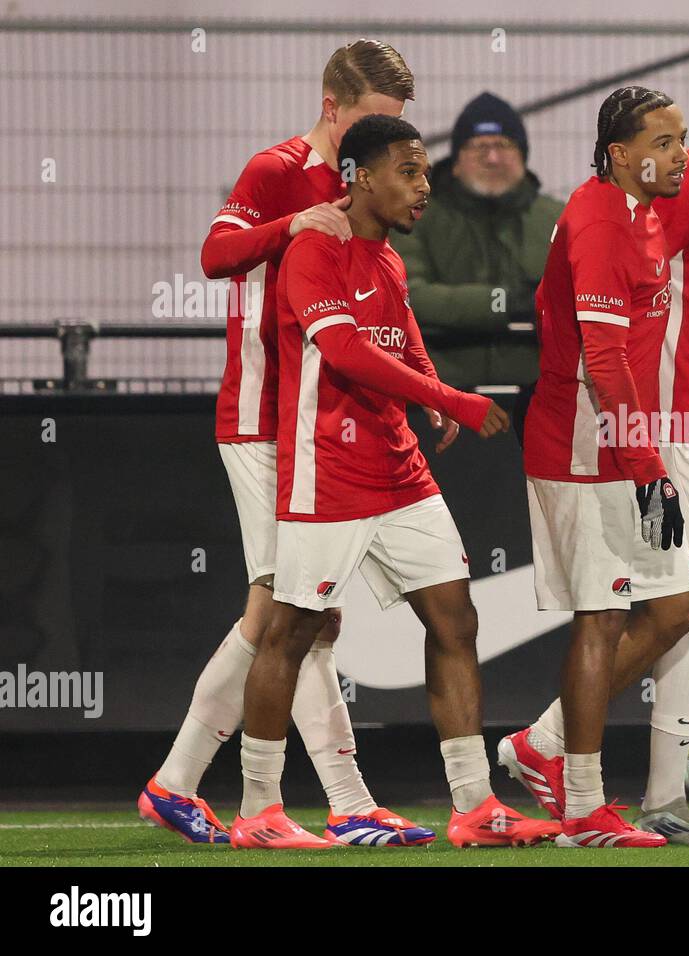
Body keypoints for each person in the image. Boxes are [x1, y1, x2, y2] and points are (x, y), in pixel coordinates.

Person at [229, 114, 556, 850]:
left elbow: (400, 334)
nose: (422, 189)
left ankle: (475, 805)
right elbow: (344, 352)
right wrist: (453, 400)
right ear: (360, 176)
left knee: (455, 619)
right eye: (409, 173)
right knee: (292, 630)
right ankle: (258, 809)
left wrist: (427, 390)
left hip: (399, 470)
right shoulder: (313, 248)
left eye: (427, 176)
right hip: (327, 473)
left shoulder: (389, 262)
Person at [139, 39, 436, 847]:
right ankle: (329, 800)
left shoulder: (368, 187)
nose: (385, 144)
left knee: (302, 614)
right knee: (291, 612)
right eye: (372, 123)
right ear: (331, 106)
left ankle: (184, 783)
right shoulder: (276, 170)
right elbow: (212, 256)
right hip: (261, 420)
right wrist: (288, 224)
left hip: (317, 427)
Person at [497, 87, 689, 849]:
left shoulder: (636, 208)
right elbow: (604, 363)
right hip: (585, 448)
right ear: (621, 153)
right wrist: (650, 467)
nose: (682, 153)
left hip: (624, 445)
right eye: (667, 141)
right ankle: (583, 809)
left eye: (684, 138)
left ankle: (540, 746)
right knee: (603, 615)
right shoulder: (601, 222)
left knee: (675, 609)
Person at [390, 92, 563, 387]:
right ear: (455, 161)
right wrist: (508, 302)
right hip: (441, 400)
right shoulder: (415, 219)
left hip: (540, 399)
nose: (493, 158)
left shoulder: (559, 219)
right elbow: (409, 297)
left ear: (523, 155)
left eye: (504, 145)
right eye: (479, 147)